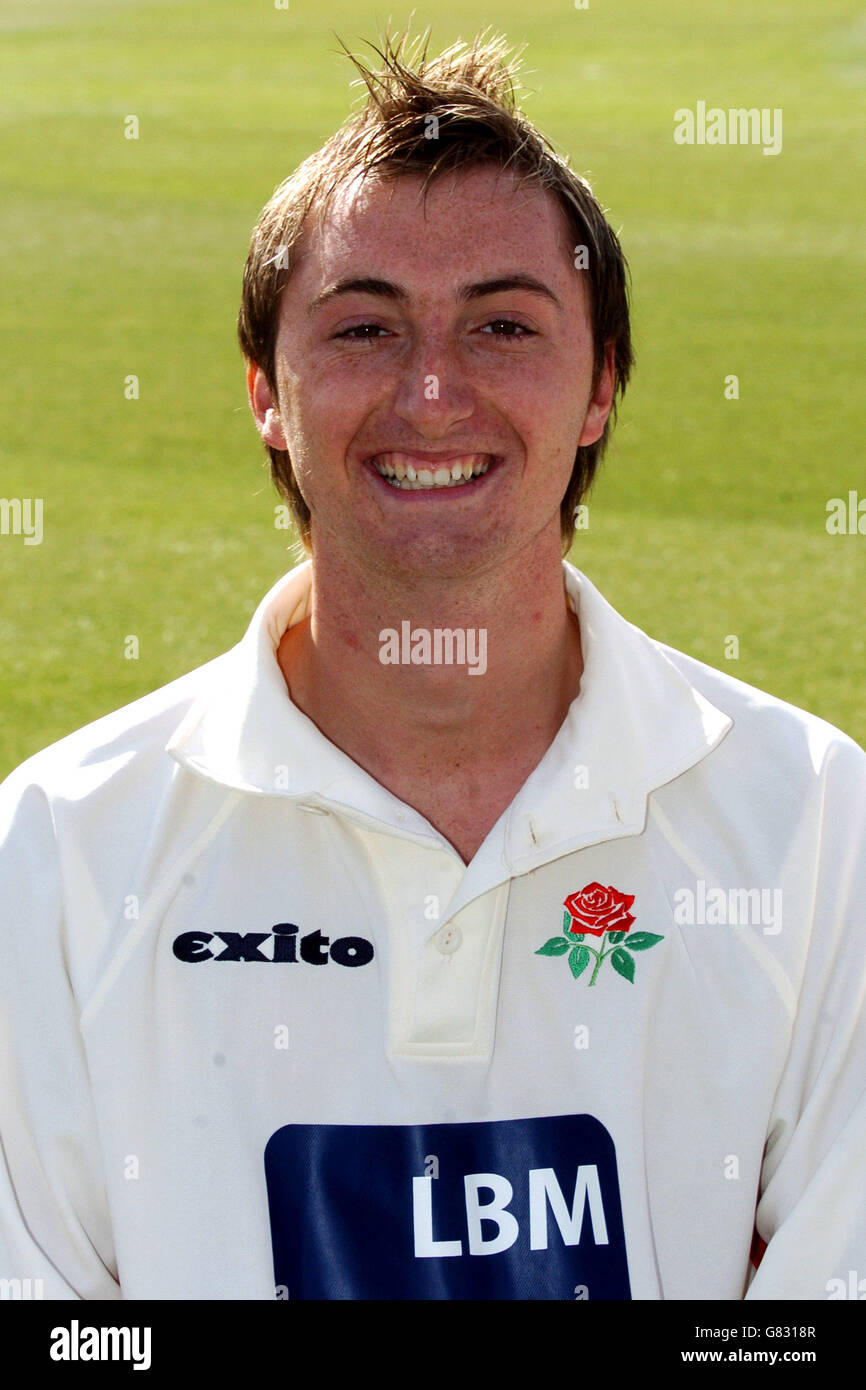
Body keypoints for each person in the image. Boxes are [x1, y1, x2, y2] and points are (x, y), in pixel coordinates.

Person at [1, 30, 864, 1303]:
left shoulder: (814, 819)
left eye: (503, 324)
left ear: (599, 389)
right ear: (264, 392)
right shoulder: (59, 850)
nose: (432, 391)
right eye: (363, 328)